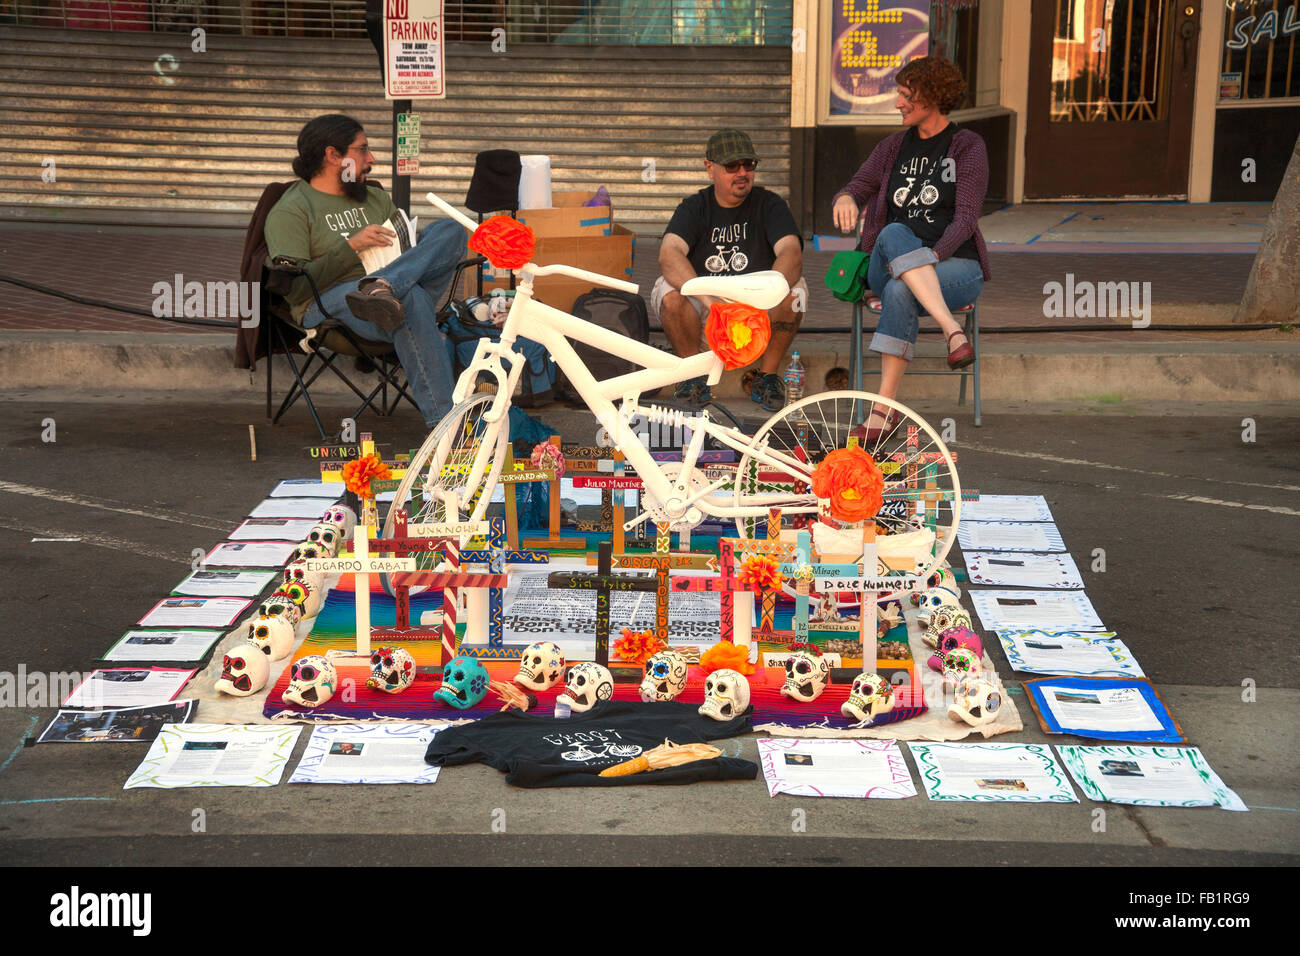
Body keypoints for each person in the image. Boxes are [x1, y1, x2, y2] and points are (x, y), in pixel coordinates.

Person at [265, 114, 467, 428]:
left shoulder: (373, 197)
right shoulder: (292, 209)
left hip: (390, 297)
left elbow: (408, 255)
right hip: (328, 301)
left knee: (451, 229)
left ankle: (383, 284)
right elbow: (296, 290)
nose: (371, 159)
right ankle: (448, 426)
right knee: (411, 299)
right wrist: (351, 247)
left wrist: (404, 260)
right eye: (362, 150)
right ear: (332, 156)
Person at [831, 56, 990, 439]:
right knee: (892, 233)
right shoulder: (892, 147)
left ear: (933, 97)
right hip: (885, 265)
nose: (898, 103)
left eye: (906, 95)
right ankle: (953, 331)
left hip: (956, 265)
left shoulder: (967, 147)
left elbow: (966, 219)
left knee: (904, 286)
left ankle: (883, 411)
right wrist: (846, 197)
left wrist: (931, 258)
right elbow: (858, 185)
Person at [654, 129, 807, 412]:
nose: (742, 172)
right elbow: (669, 254)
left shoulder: (770, 204)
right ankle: (691, 377)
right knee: (670, 293)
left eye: (748, 165)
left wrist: (765, 299)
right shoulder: (694, 207)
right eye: (732, 166)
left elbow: (791, 253)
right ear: (709, 168)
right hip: (707, 312)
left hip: (755, 314)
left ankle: (767, 376)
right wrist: (711, 304)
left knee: (795, 292)